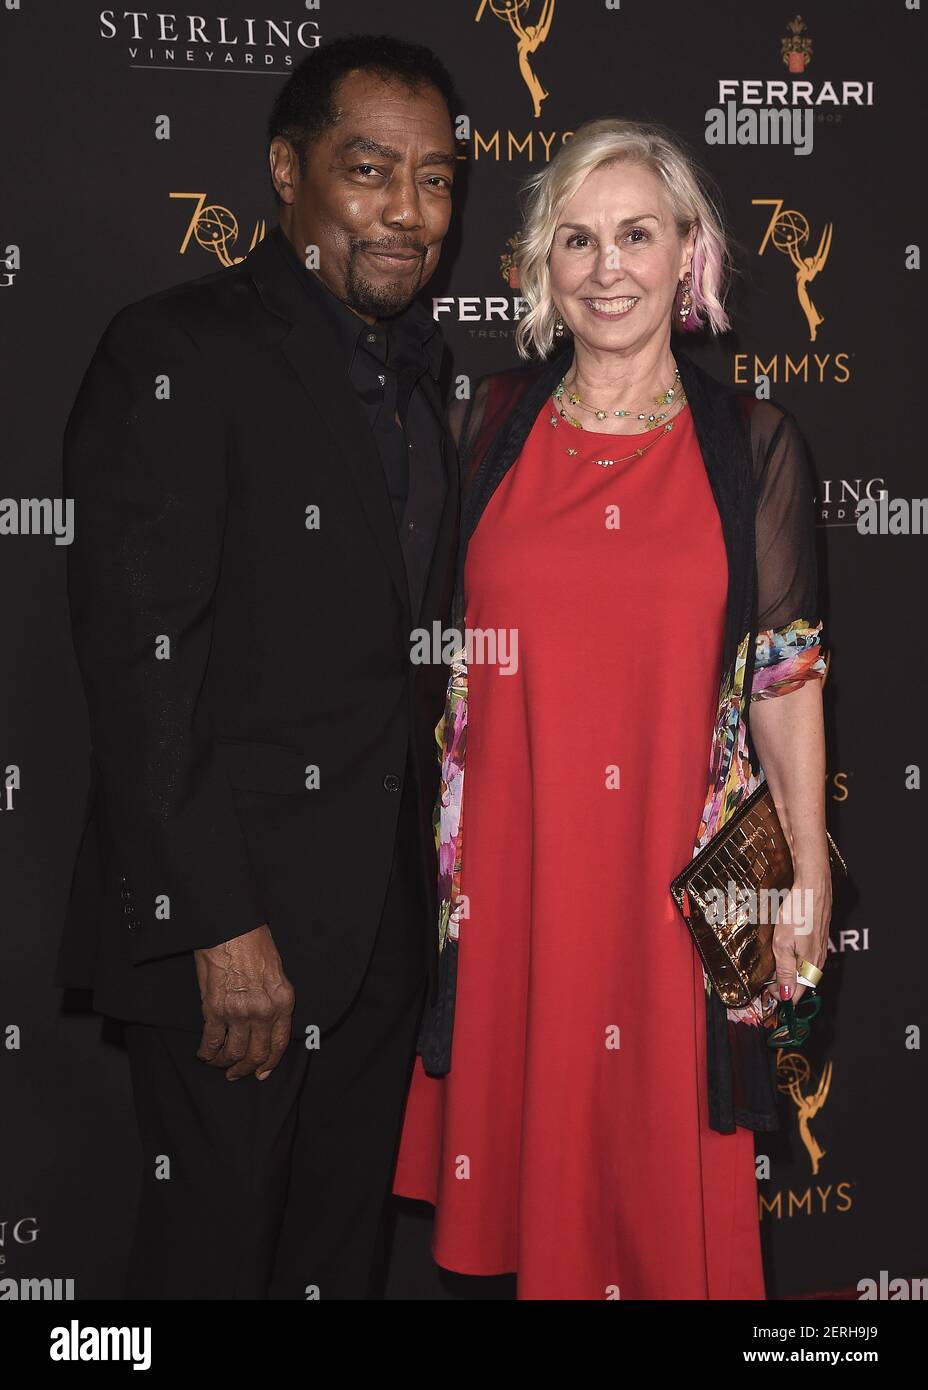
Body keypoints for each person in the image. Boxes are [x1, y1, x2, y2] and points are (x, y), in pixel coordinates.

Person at [393, 118, 833, 1300]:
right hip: (513, 881)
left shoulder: (751, 443)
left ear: (688, 251)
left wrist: (805, 870)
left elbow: (784, 674)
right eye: (576, 240)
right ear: (541, 267)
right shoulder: (477, 427)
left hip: (682, 889)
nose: (606, 267)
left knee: (664, 1196)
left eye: (636, 234)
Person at [56, 34, 461, 1300]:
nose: (407, 210)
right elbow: (139, 663)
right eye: (370, 169)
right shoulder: (174, 350)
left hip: (382, 935)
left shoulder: (431, 381)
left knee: (336, 1263)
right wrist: (219, 926)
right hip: (240, 944)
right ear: (286, 173)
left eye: (438, 179)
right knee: (213, 1264)